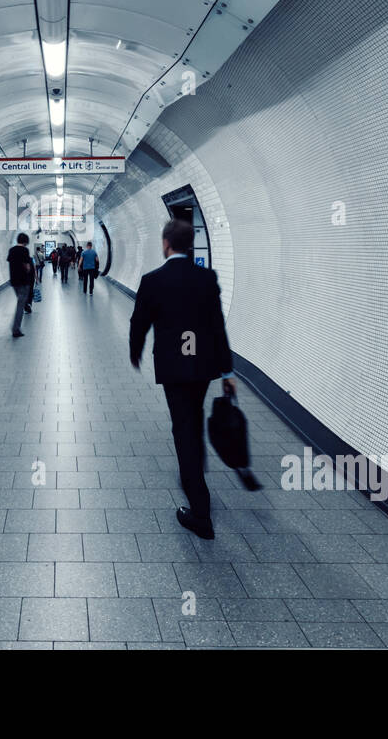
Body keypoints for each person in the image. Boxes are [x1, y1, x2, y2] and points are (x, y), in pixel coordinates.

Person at [128, 219, 241, 540]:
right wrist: (227, 371)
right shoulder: (207, 278)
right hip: (203, 367)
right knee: (192, 416)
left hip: (173, 368)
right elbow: (217, 326)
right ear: (189, 244)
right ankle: (193, 469)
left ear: (166, 244)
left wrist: (135, 350)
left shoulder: (153, 280)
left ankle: (200, 513)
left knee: (184, 429)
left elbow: (139, 321)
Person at [7, 232, 34, 338]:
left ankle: (26, 306)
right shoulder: (25, 250)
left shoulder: (11, 250)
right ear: (26, 241)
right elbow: (27, 266)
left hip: (14, 281)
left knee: (20, 300)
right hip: (23, 281)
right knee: (20, 305)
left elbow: (10, 262)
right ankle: (15, 329)